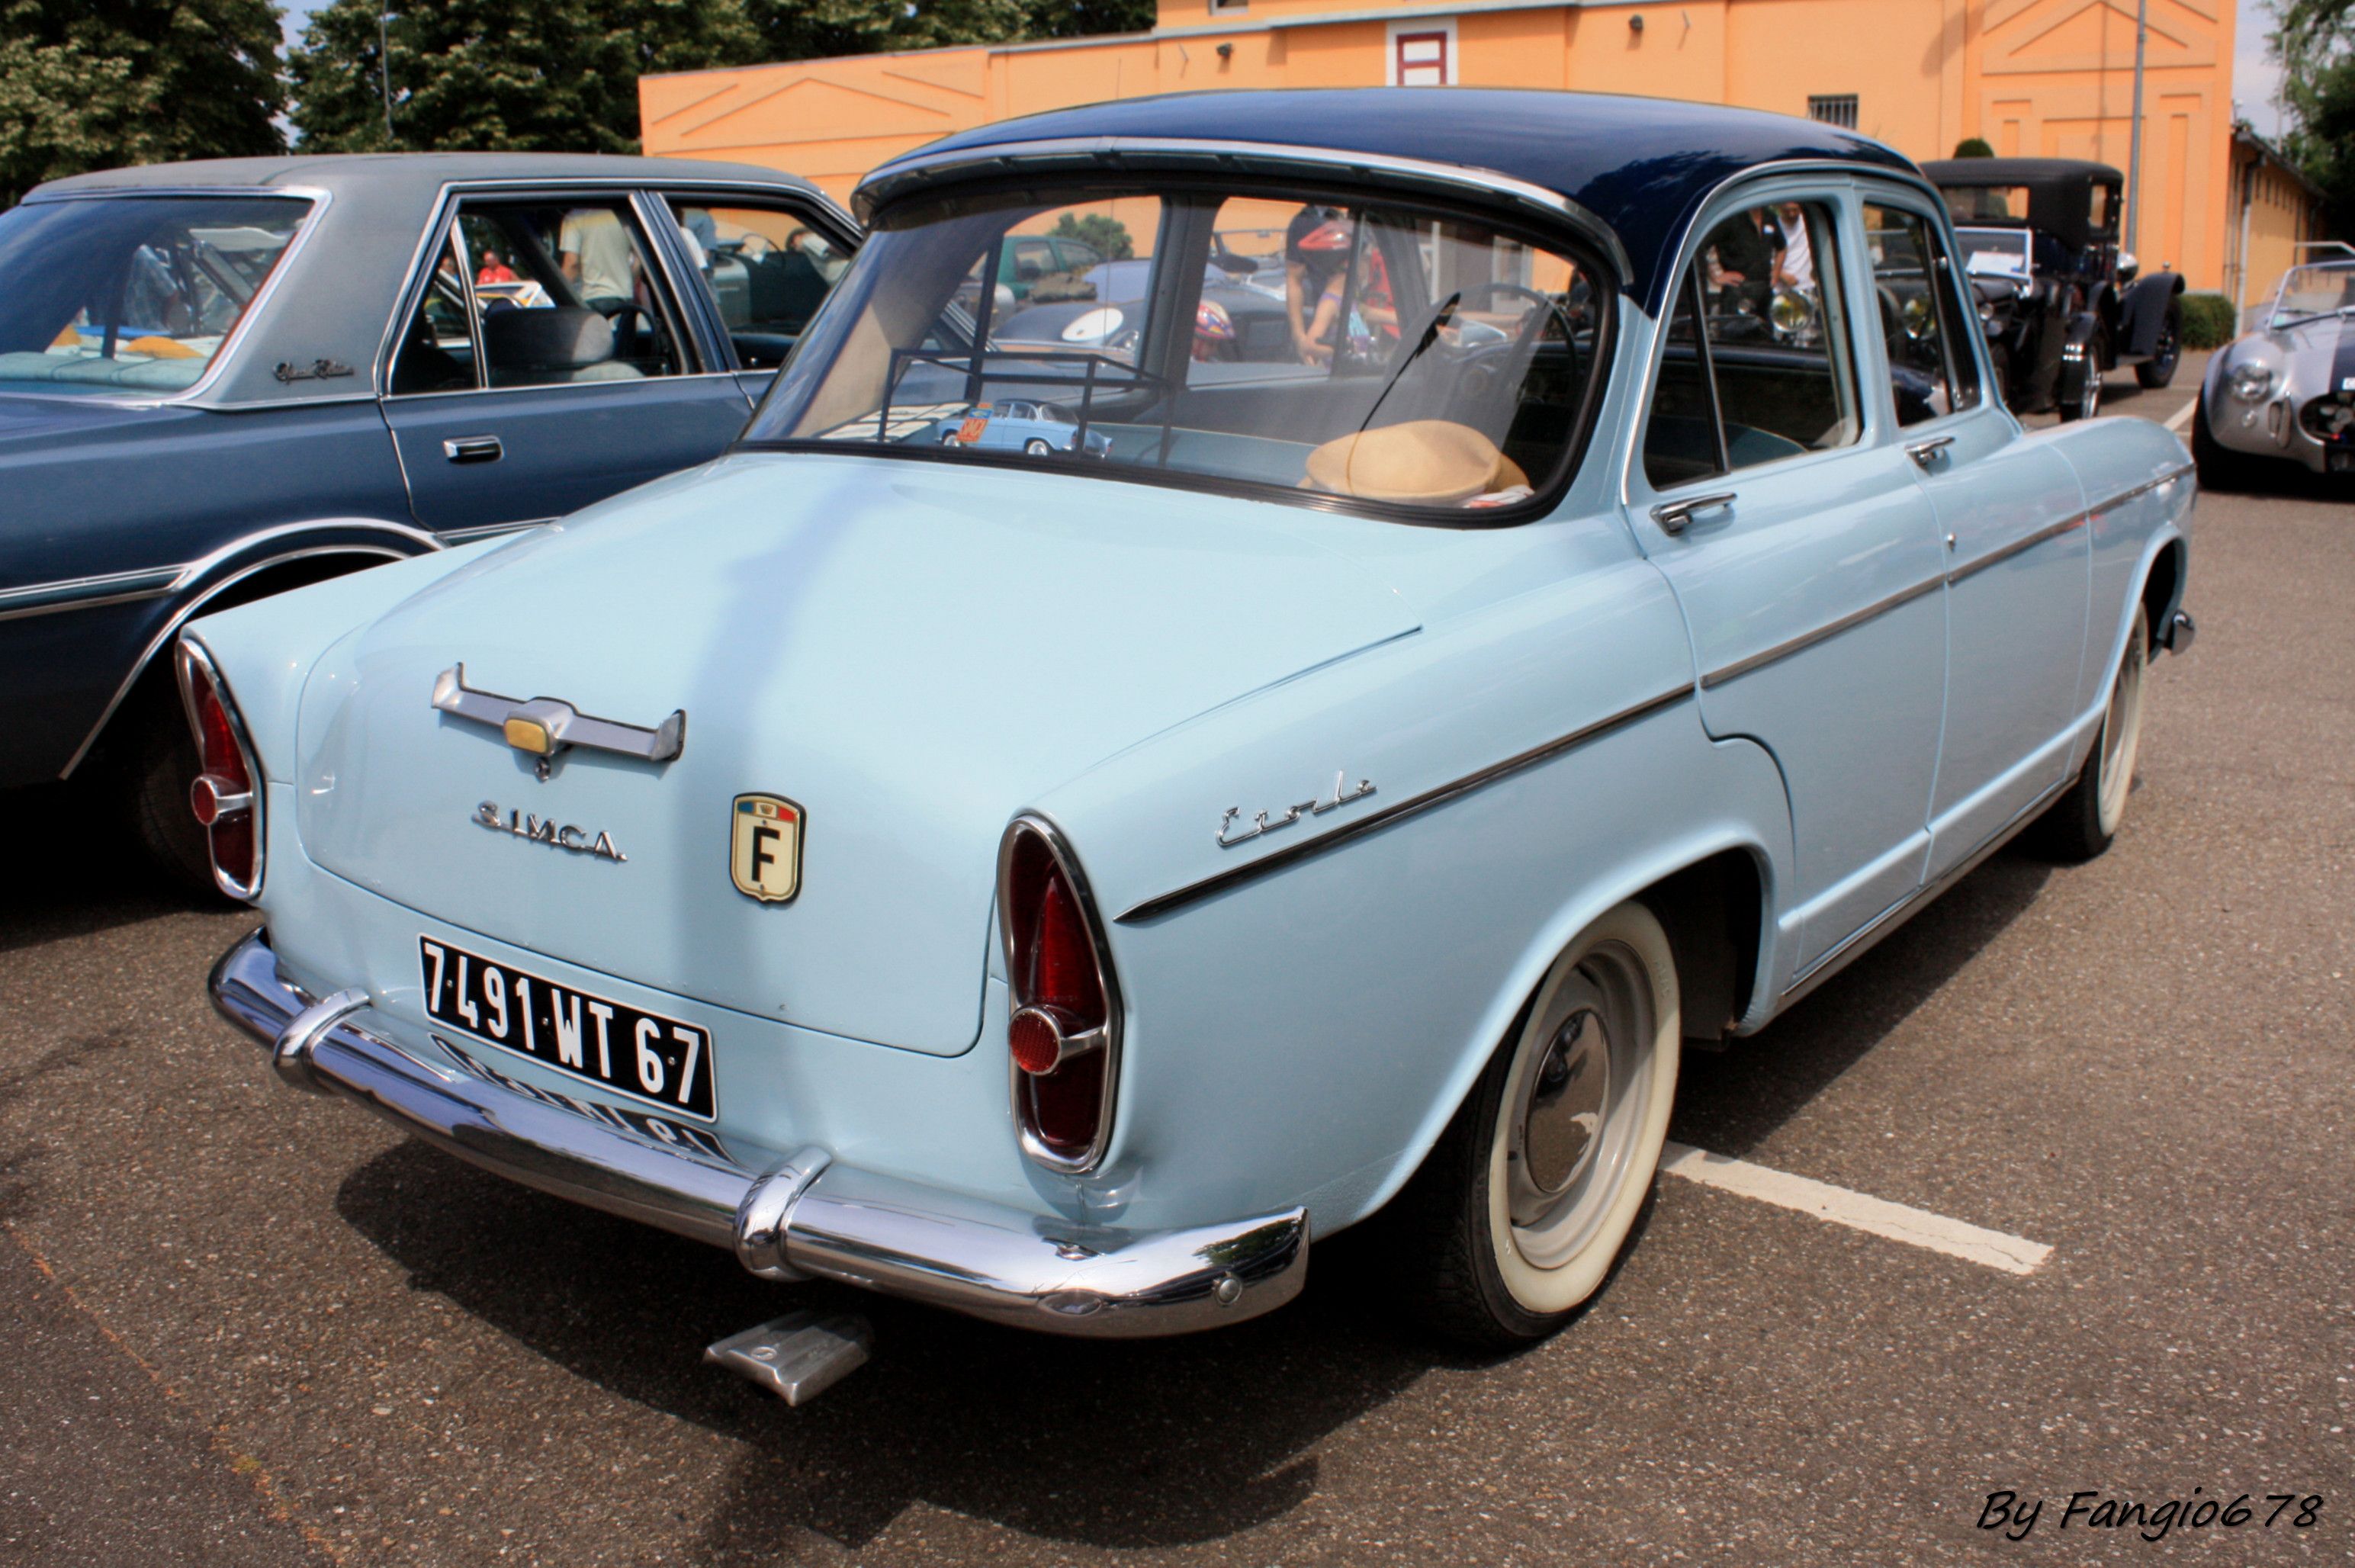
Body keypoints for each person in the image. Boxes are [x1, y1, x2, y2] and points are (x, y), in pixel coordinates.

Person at [557, 207, 635, 311]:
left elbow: (572, 264)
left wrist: (557, 295)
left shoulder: (576, 217)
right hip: (625, 298)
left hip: (593, 299)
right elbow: (638, 261)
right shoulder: (624, 215)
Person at [1772, 203, 1814, 294]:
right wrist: (1781, 275)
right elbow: (1763, 257)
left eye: (1795, 210)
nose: (1792, 214)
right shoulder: (1773, 228)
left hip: (1807, 286)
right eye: (1787, 211)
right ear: (1780, 208)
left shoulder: (1808, 222)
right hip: (1781, 290)